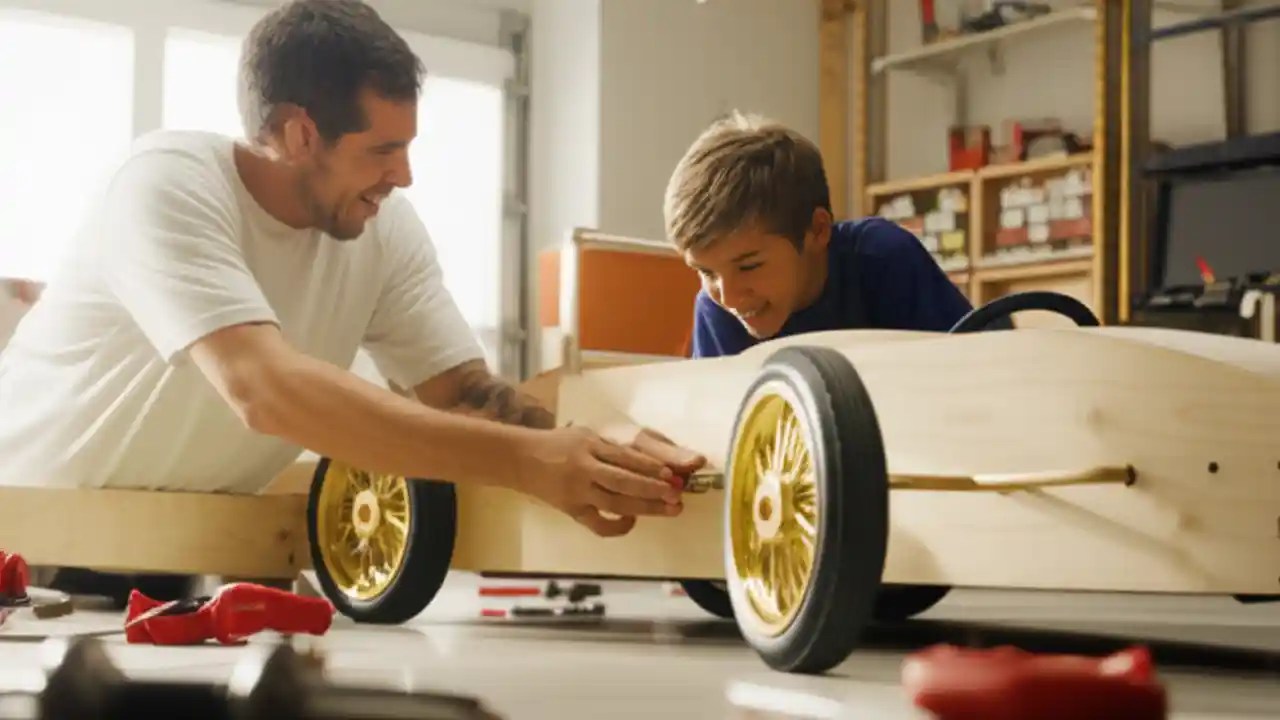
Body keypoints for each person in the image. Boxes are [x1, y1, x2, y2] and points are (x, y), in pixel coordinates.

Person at [0, 0, 704, 556]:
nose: (404, 175)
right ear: (301, 133)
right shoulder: (165, 185)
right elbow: (265, 390)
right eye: (383, 149)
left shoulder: (383, 230)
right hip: (26, 542)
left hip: (179, 549)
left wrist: (594, 447)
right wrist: (528, 460)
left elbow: (465, 396)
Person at [663, 111, 976, 359]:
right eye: (706, 272)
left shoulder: (883, 258)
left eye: (749, 266)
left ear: (818, 230)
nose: (728, 297)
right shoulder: (715, 309)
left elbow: (978, 365)